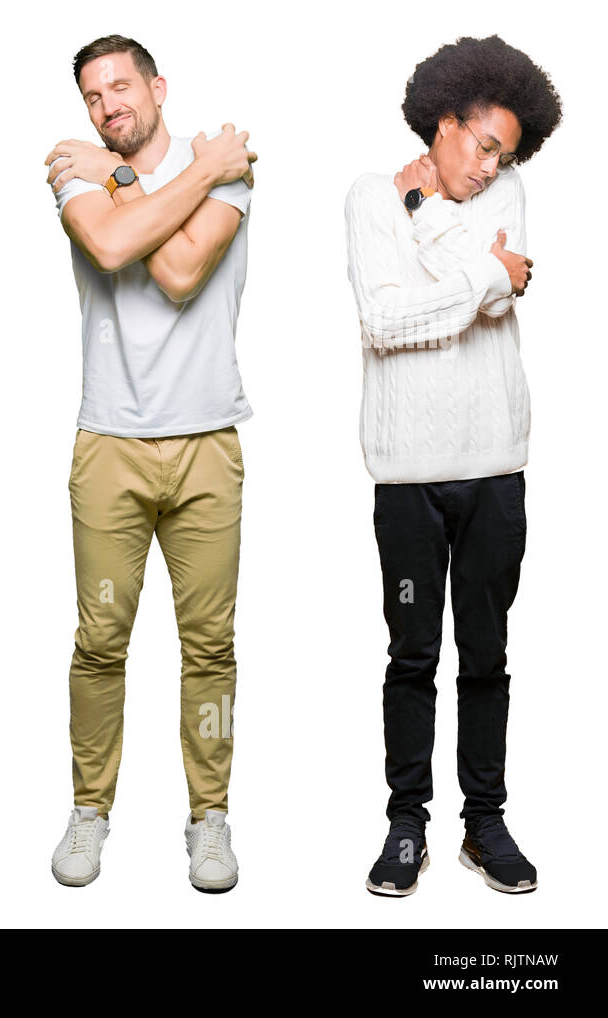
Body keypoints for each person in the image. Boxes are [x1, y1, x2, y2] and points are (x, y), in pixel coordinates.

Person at [345, 35, 561, 897]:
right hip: (407, 475)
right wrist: (481, 273)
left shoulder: (505, 189)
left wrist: (425, 214)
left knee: (487, 654)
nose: (487, 168)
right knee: (411, 657)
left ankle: (486, 822)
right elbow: (383, 325)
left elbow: (492, 289)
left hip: (496, 466)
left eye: (501, 154)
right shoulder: (367, 196)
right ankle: (407, 825)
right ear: (445, 123)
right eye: (479, 145)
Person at [44, 35, 256, 891]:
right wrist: (173, 175)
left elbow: (176, 269)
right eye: (94, 97)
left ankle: (211, 817)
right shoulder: (78, 171)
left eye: (121, 88)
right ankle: (89, 811)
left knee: (211, 646)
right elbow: (109, 249)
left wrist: (137, 177)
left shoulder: (227, 165)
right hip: (110, 446)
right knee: (100, 642)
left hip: (208, 442)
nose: (108, 108)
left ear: (157, 87)